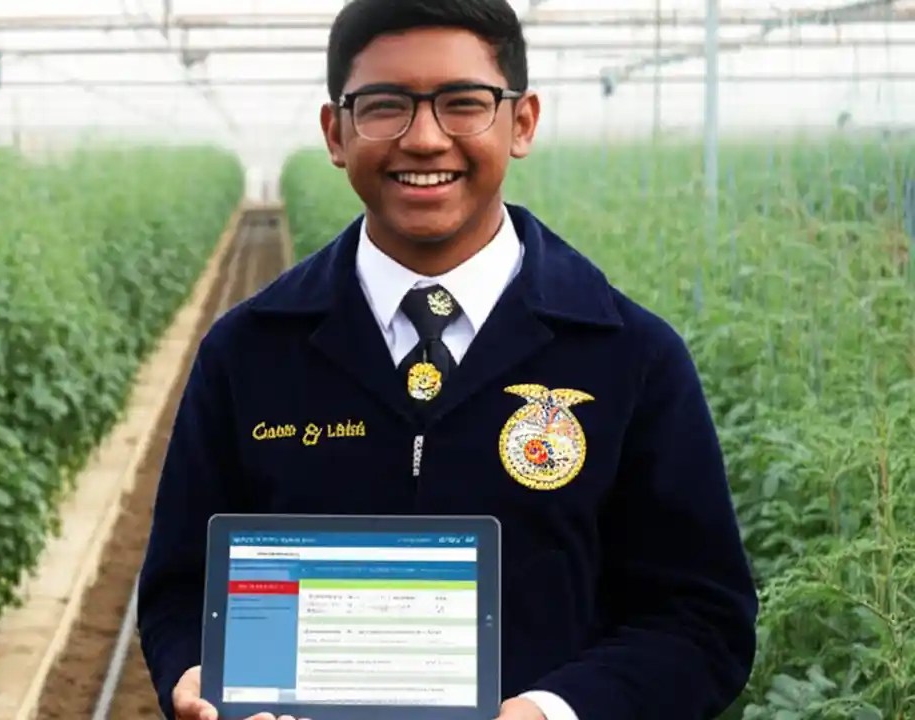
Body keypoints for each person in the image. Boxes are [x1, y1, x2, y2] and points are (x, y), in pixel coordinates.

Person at [137, 0, 759, 718]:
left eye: (464, 104)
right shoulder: (247, 353)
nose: (425, 139)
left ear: (520, 123)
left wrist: (555, 710)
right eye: (383, 106)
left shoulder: (629, 358)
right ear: (336, 133)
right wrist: (192, 674)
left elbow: (702, 620)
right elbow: (179, 590)